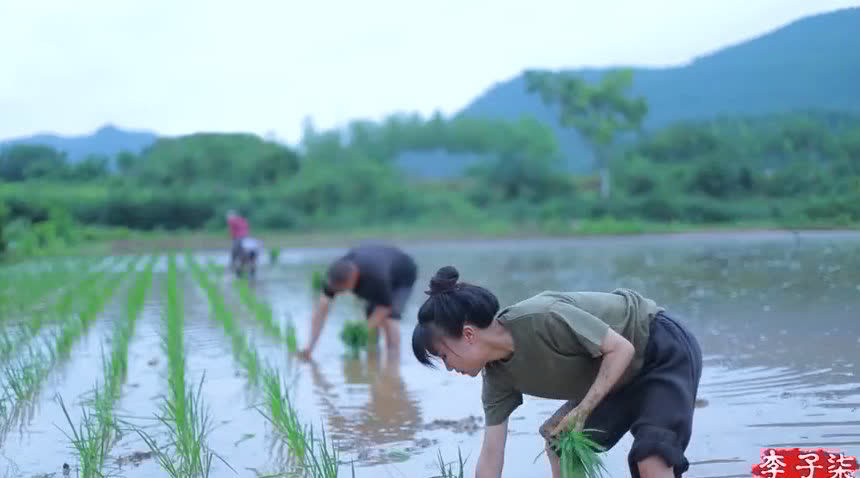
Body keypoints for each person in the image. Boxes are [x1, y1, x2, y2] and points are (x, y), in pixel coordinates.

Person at [411, 265, 703, 478]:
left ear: (469, 334)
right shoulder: (497, 379)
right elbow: (491, 454)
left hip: (658, 347)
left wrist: (584, 409)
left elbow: (621, 349)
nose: (449, 367)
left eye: (444, 356)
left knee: (651, 458)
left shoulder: (542, 317)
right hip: (615, 378)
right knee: (560, 443)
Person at [299, 242, 418, 360]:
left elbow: (385, 307)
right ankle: (373, 357)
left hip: (404, 275)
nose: (341, 293)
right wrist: (309, 347)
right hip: (380, 267)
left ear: (354, 277)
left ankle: (393, 365)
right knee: (371, 315)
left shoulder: (376, 276)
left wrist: (362, 331)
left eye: (344, 289)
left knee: (391, 318)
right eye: (338, 290)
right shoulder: (335, 274)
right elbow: (321, 309)